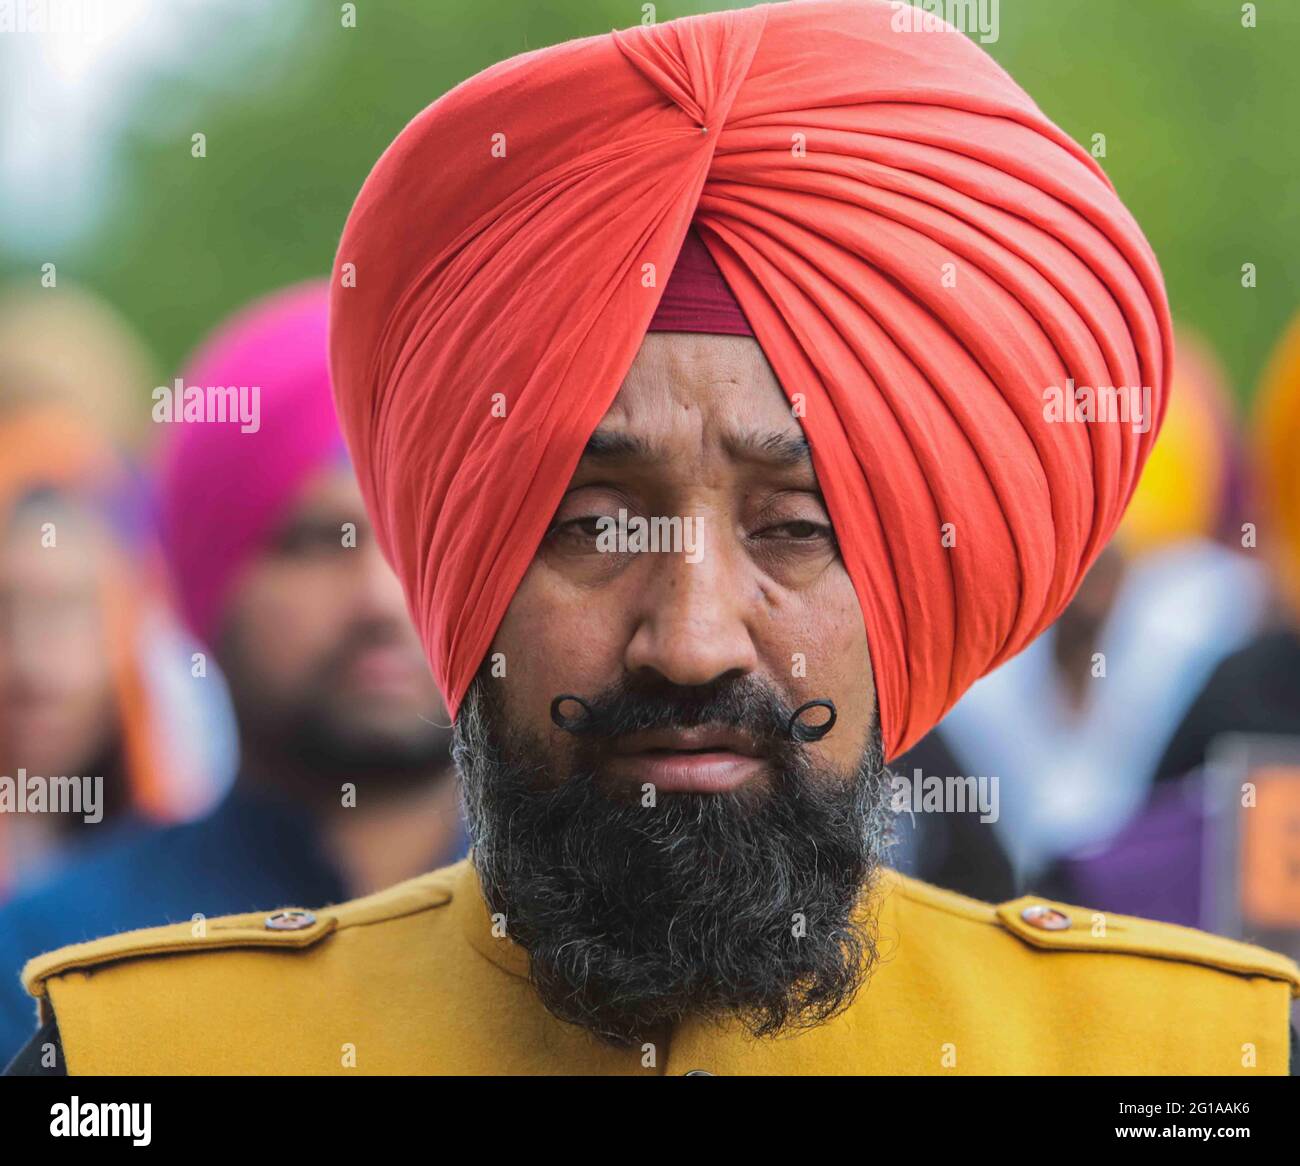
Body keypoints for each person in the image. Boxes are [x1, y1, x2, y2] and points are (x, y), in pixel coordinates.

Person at [9, 0, 1297, 1076]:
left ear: (911, 574)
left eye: (794, 527)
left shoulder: (1179, 1060)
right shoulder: (141, 1060)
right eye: (592, 522)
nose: (688, 639)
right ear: (464, 566)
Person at [0, 283, 464, 1068]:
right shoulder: (57, 961)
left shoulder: (623, 935)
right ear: (203, 583)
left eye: (419, 533)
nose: (382, 597)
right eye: (318, 542)